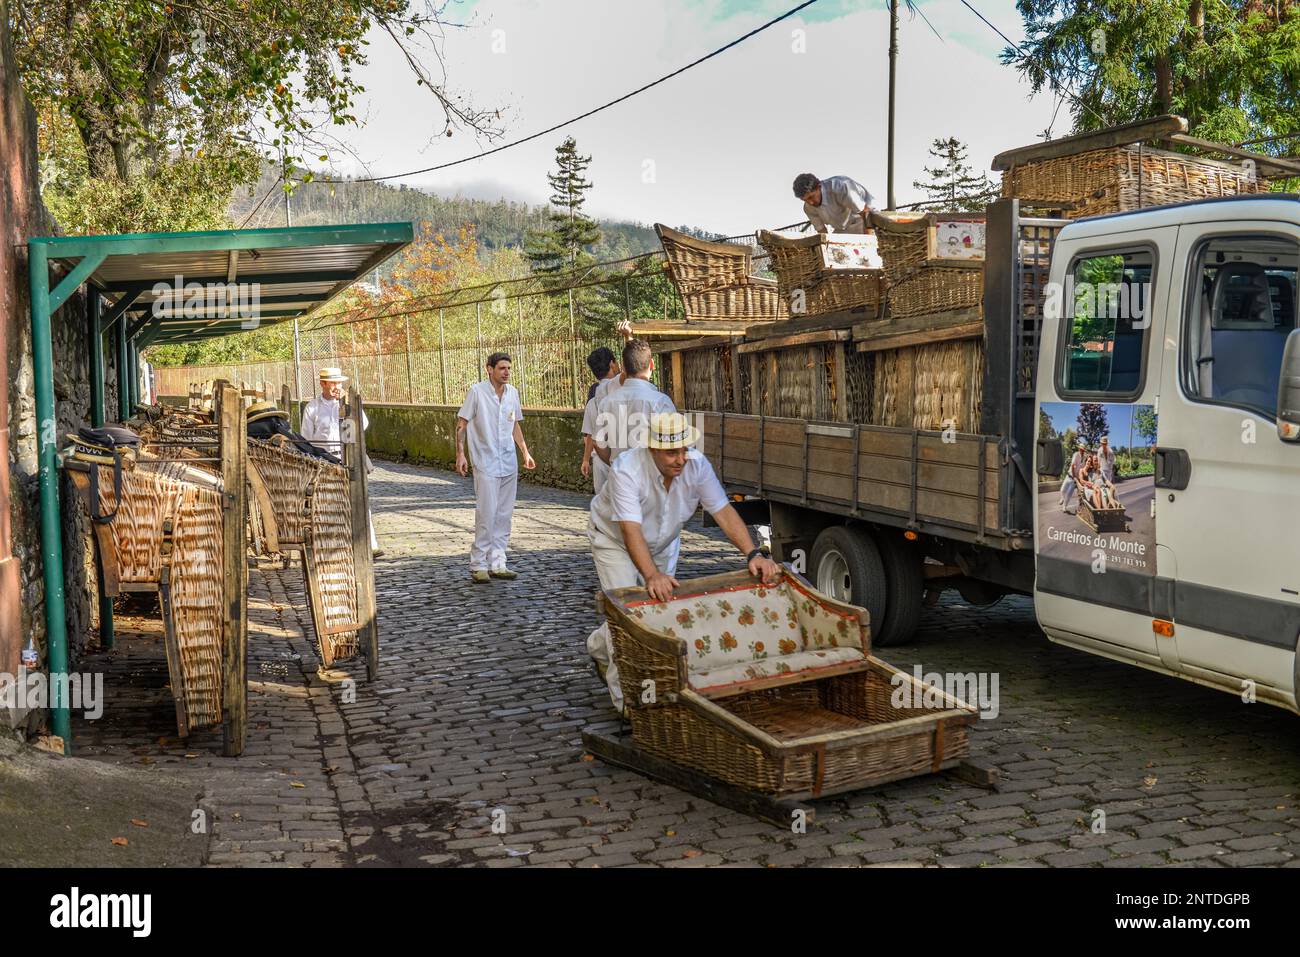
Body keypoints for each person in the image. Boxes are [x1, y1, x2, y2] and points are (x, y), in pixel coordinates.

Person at [585, 412, 781, 713]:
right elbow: (629, 530)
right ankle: (629, 705)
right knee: (628, 616)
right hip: (614, 542)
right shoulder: (627, 470)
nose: (680, 459)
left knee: (657, 613)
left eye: (683, 449)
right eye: (671, 452)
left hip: (664, 541)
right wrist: (651, 575)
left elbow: (724, 512)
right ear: (652, 450)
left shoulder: (696, 465)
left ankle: (597, 646)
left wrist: (753, 553)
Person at [456, 352, 535, 583]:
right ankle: (478, 563)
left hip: (509, 462)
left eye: (508, 368)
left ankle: (498, 562)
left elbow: (515, 425)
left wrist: (525, 452)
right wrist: (461, 454)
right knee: (486, 513)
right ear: (489, 369)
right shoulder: (477, 392)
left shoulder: (513, 393)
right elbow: (462, 424)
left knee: (504, 515)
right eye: (501, 368)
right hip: (485, 461)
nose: (506, 372)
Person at [300, 367, 381, 555]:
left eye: (339, 382)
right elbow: (306, 438)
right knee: (328, 502)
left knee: (359, 497)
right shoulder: (313, 407)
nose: (337, 386)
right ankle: (333, 544)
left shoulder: (346, 403)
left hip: (348, 455)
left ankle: (370, 543)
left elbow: (363, 425)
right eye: (333, 382)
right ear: (323, 384)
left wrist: (348, 405)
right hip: (324, 458)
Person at [593, 338, 676, 467]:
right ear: (652, 364)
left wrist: (615, 465)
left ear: (623, 368)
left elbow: (598, 443)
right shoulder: (661, 402)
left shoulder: (606, 403)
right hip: (651, 478)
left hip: (619, 479)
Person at [580, 347, 621, 493]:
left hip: (600, 460)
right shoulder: (622, 390)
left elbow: (590, 435)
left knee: (604, 508)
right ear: (612, 364)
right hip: (623, 457)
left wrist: (586, 460)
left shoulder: (592, 402)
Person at [793, 173, 877, 235]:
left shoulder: (840, 187)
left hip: (866, 221)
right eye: (805, 200)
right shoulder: (808, 208)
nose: (810, 202)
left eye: (811, 197)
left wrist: (869, 241)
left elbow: (865, 212)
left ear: (819, 186)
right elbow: (822, 232)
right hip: (842, 230)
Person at [1059, 441, 1087, 514]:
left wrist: (1079, 478)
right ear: (1079, 449)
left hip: (1075, 479)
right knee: (1062, 490)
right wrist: (1074, 476)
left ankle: (1064, 507)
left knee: (1069, 494)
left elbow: (1083, 468)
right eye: (1081, 449)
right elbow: (1072, 466)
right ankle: (1062, 498)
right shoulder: (1076, 454)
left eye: (1083, 450)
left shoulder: (1084, 458)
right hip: (1069, 475)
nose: (1082, 450)